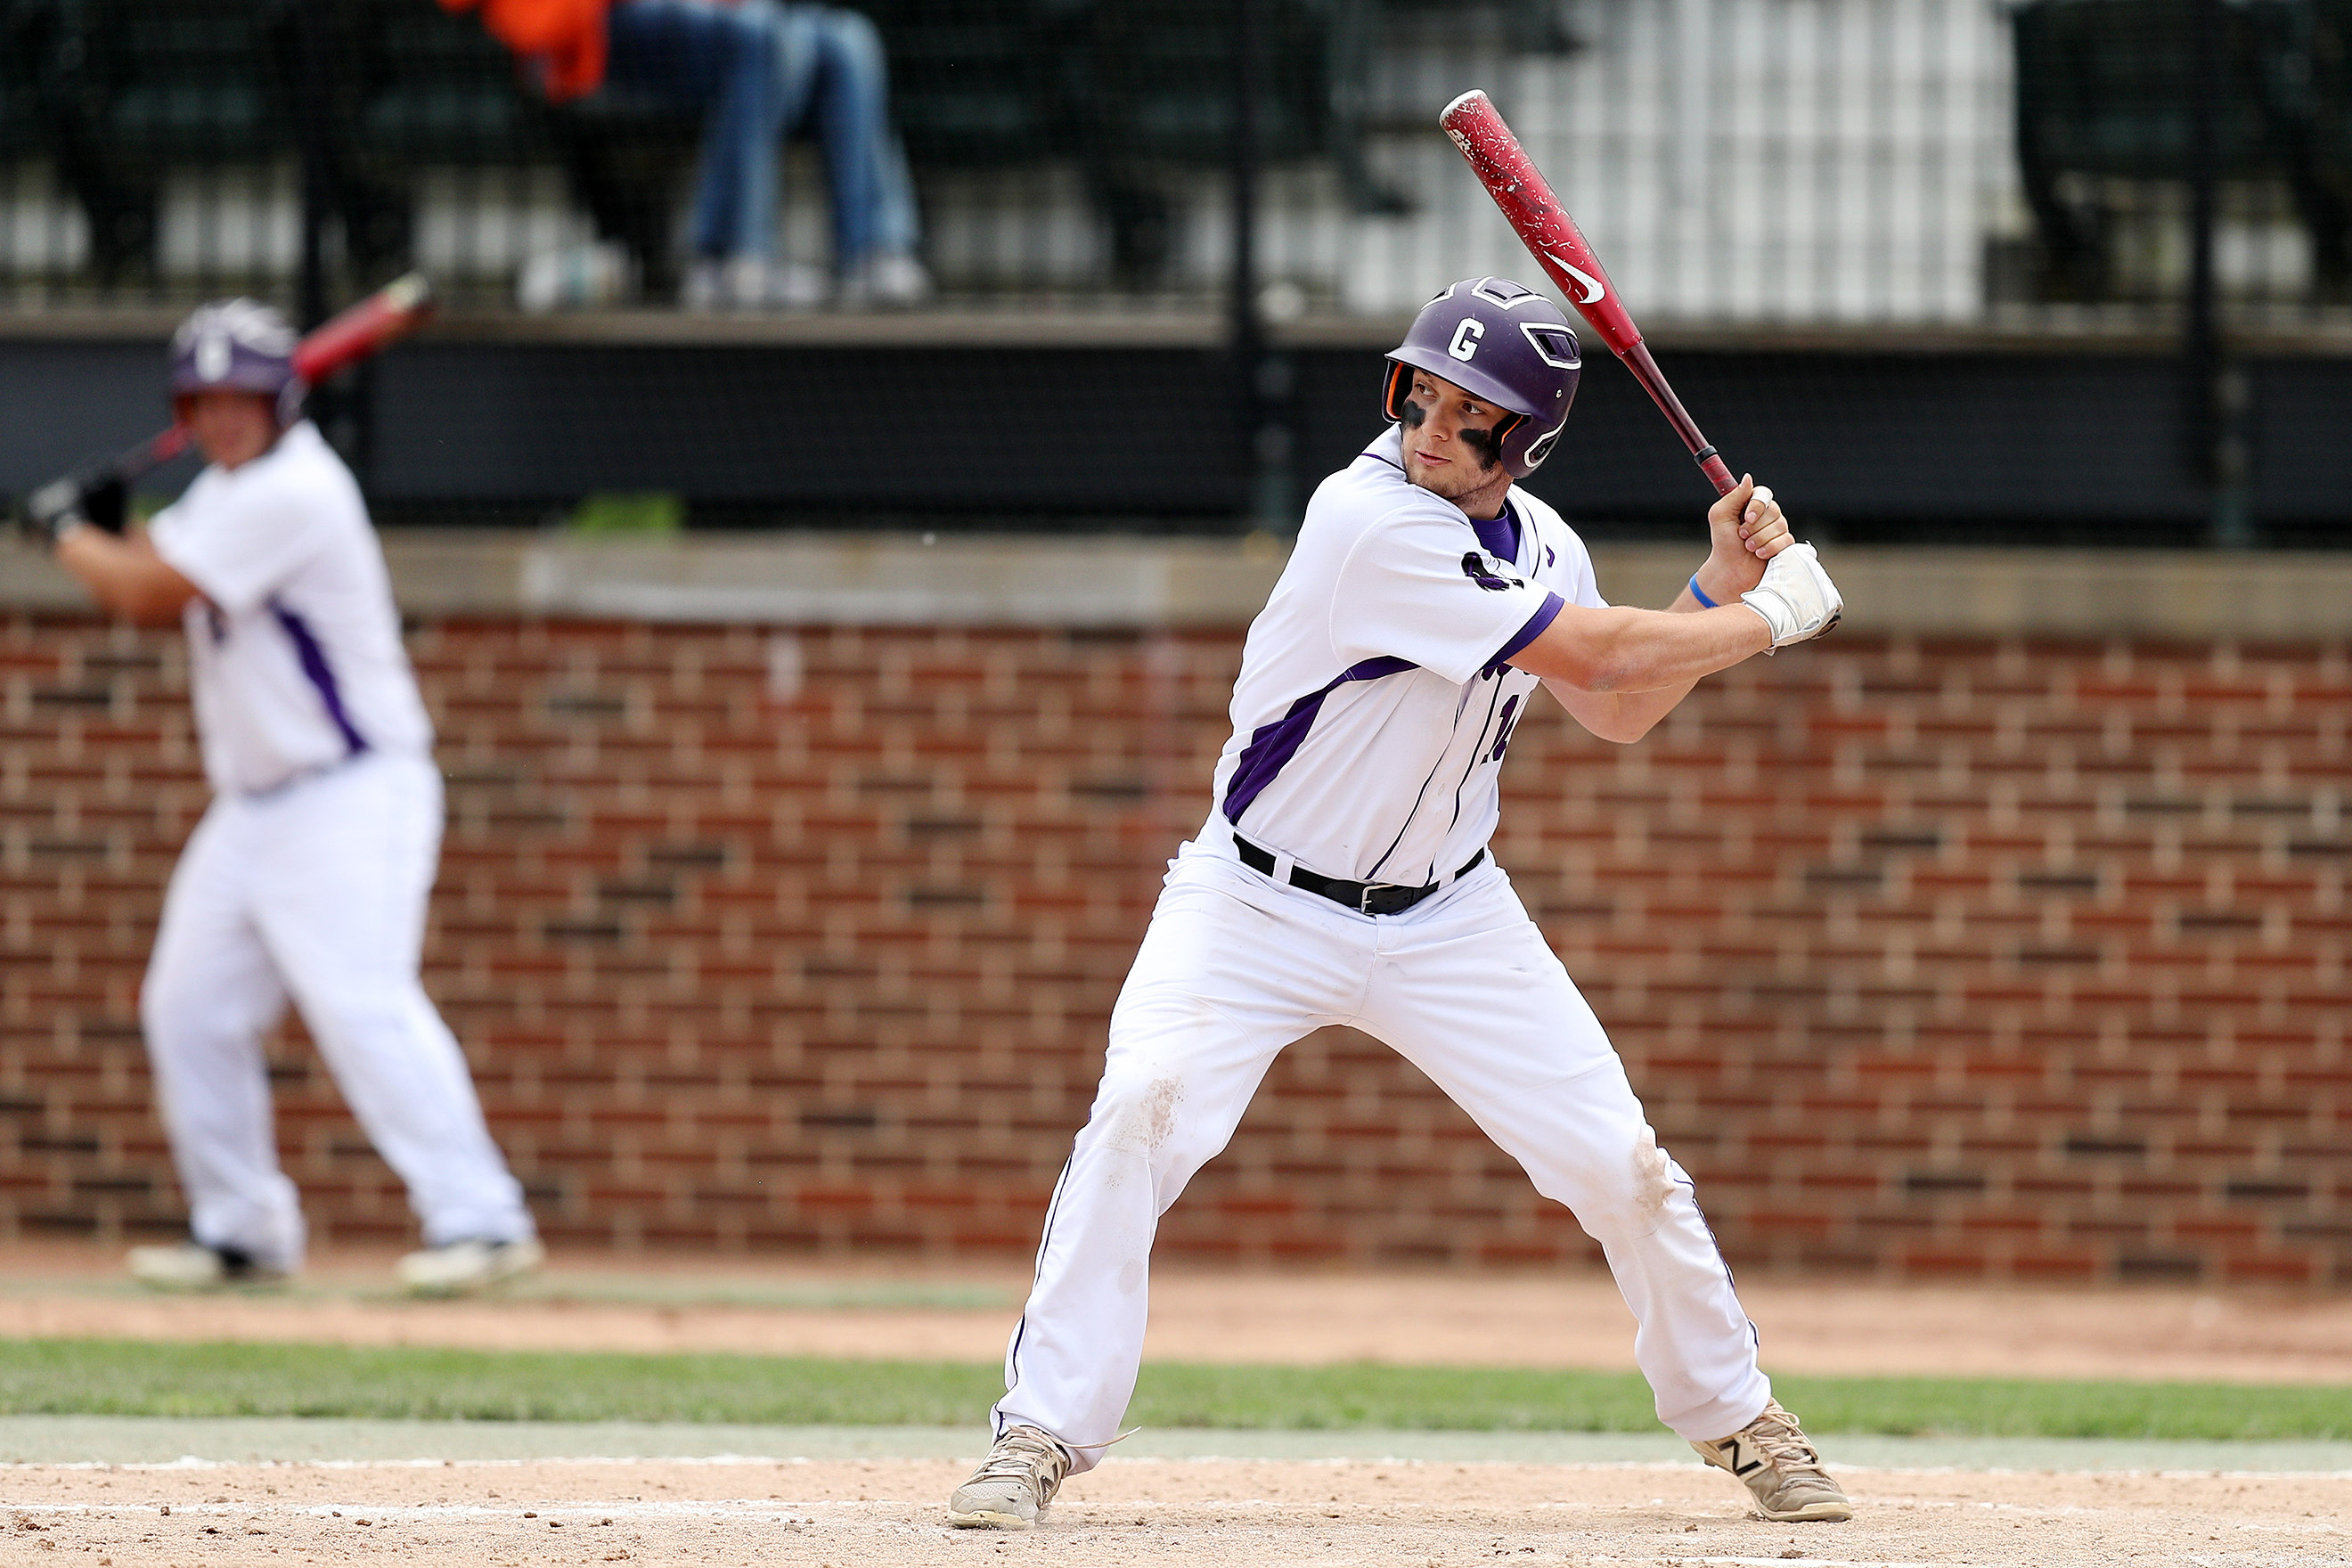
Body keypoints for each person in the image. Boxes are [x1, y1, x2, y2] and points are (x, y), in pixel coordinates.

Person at [945, 276, 1850, 1531]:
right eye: (1419, 395)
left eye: (1474, 416)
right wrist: (1765, 619)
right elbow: (1599, 655)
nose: (1432, 430)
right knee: (1138, 1117)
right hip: (1253, 904)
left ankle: (1740, 1416)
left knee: (1622, 1164)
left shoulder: (1545, 545)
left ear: (1526, 442)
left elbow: (1619, 707)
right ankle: (1037, 1433)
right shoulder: (1367, 521)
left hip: (1447, 915)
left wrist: (1709, 587)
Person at [32, 299, 543, 1296]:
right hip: (256, 806)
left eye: (243, 398)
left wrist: (63, 530)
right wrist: (109, 523)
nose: (224, 417)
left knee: (361, 998)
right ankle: (242, 1228)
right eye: (206, 399)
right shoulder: (230, 491)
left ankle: (480, 1216)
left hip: (349, 790)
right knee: (187, 1008)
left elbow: (145, 593)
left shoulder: (298, 489)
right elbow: (155, 558)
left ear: (282, 401)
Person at [447, 0, 931, 310]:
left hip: (696, 18)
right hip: (581, 30)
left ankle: (872, 252)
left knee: (848, 42)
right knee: (760, 38)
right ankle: (729, 260)